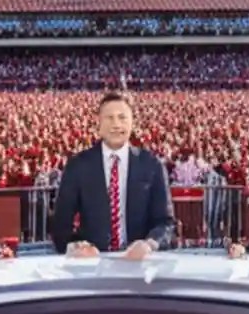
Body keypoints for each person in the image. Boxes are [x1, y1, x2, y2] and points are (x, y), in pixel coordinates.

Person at [51, 92, 175, 259]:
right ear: (99, 124)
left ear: (132, 123)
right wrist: (77, 246)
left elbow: (165, 223)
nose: (116, 124)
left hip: (139, 265)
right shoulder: (78, 166)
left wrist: (149, 244)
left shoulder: (152, 166)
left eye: (122, 118)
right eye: (109, 118)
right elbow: (60, 224)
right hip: (91, 266)